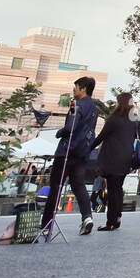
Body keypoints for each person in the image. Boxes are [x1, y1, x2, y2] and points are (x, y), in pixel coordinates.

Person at [41, 77, 99, 239]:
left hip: (66, 151)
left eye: (76, 88)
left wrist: (60, 133)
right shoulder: (94, 109)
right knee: (78, 185)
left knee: (56, 187)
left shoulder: (75, 105)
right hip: (82, 153)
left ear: (83, 89)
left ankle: (46, 224)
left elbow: (70, 127)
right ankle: (87, 216)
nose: (73, 91)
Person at [91, 91, 140, 231]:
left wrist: (88, 148)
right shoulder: (135, 120)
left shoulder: (114, 119)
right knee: (118, 189)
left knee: (113, 190)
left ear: (120, 103)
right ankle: (117, 218)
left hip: (112, 158)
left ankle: (111, 222)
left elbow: (101, 136)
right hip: (127, 158)